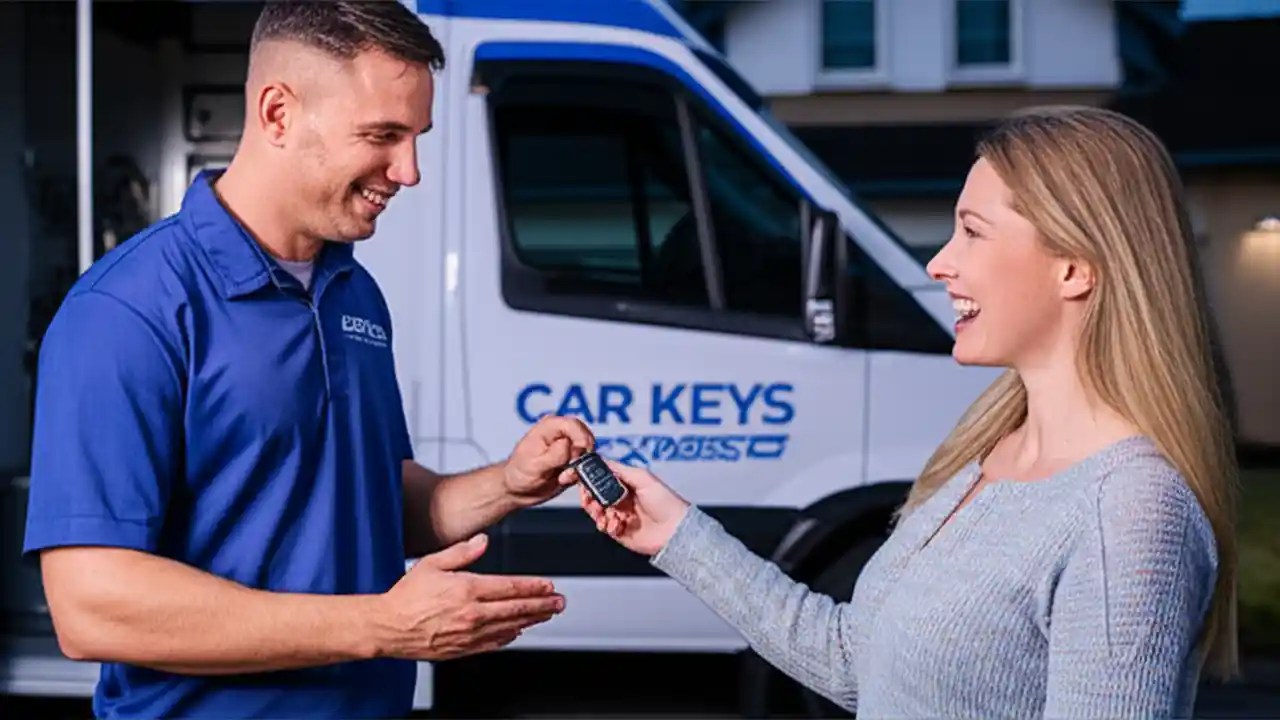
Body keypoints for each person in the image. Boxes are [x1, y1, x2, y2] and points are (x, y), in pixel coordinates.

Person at [23, 2, 594, 718]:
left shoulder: (352, 291)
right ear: (277, 113)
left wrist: (509, 483)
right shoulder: (127, 310)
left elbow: (366, 498)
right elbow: (90, 607)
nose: (409, 171)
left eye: (416, 137)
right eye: (383, 135)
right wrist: (381, 626)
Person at [580, 105, 1239, 718]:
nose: (940, 262)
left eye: (972, 233)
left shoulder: (1128, 515)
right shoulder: (991, 453)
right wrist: (677, 534)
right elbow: (857, 659)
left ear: (1075, 267)